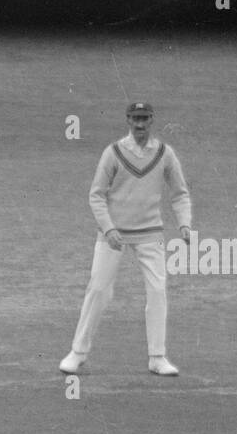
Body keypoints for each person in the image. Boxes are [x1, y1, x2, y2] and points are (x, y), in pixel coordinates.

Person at [59, 101, 193, 377]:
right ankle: (77, 352)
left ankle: (157, 357)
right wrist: (108, 228)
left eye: (144, 119)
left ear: (152, 120)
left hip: (150, 232)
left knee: (157, 291)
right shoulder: (114, 152)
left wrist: (184, 224)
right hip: (113, 235)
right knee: (98, 289)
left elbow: (180, 193)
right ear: (128, 120)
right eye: (135, 119)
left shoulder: (165, 154)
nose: (140, 124)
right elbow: (96, 194)